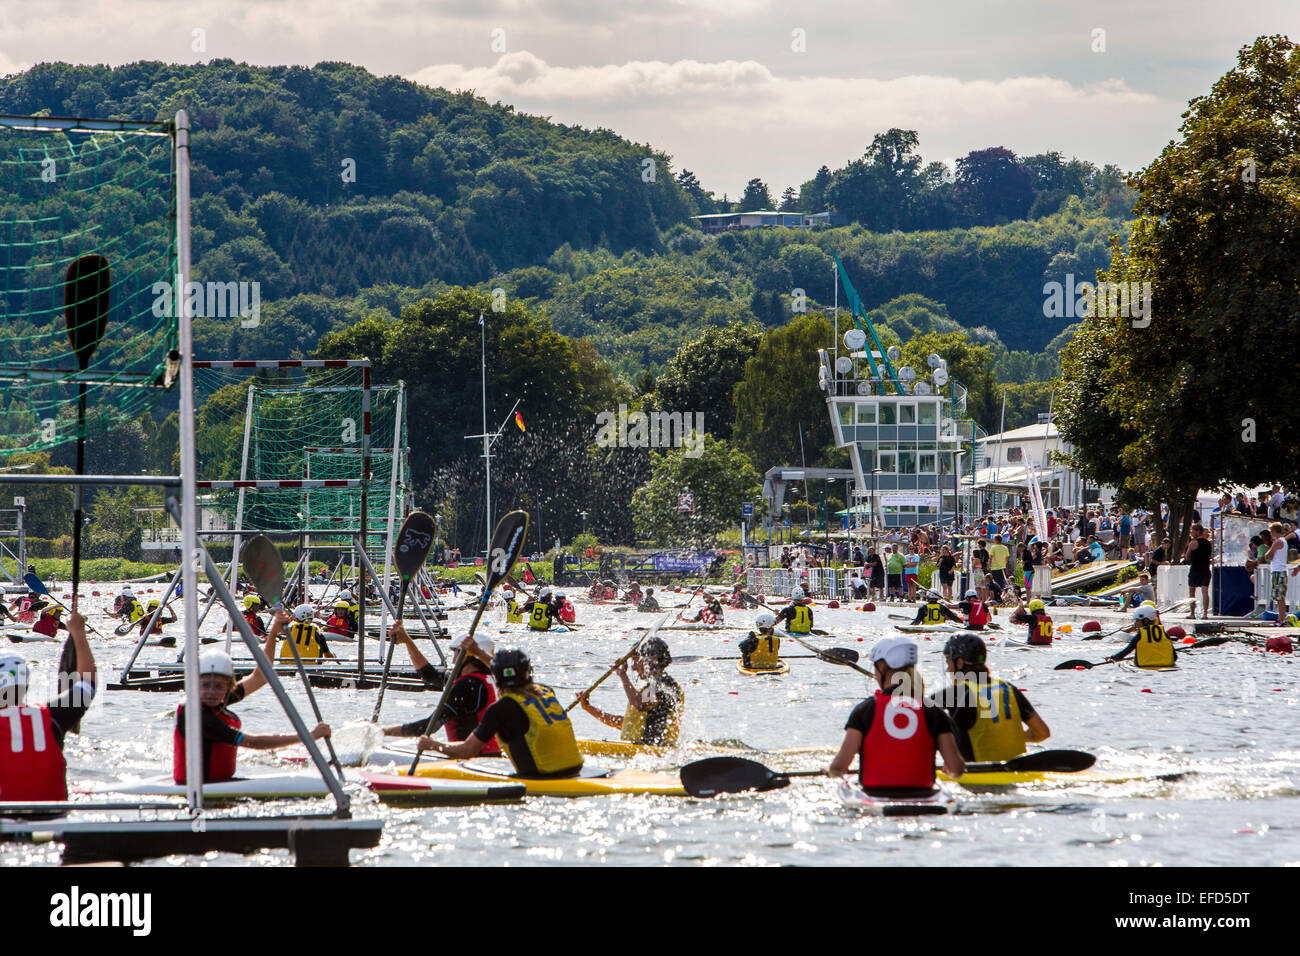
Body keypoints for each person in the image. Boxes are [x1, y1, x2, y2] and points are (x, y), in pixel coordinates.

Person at [173, 613, 332, 784]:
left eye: (218, 686)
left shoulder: (219, 698)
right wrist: (309, 736)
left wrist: (273, 633)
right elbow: (254, 742)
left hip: (219, 782)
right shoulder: (197, 714)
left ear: (228, 686)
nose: (211, 691)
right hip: (199, 788)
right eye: (205, 685)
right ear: (195, 685)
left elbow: (261, 676)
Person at [417, 648, 583, 777]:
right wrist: (477, 650)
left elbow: (466, 751)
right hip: (576, 769)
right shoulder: (547, 690)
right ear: (528, 672)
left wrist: (432, 745)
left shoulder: (500, 709)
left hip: (542, 777)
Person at [828, 637, 965, 791]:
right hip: (923, 797)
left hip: (875, 796)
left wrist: (830, 771)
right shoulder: (934, 711)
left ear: (881, 666)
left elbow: (839, 768)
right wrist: (949, 767)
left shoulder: (864, 710)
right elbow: (956, 770)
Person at [0, 610, 96, 800]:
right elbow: (87, 683)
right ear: (26, 683)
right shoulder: (52, 717)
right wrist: (78, 633)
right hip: (55, 818)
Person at [383, 622, 500, 755]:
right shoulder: (479, 679)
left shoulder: (468, 685)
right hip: (486, 755)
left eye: (456, 654)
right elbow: (430, 675)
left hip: (474, 760)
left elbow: (428, 726)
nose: (453, 660)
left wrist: (383, 732)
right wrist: (407, 641)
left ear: (465, 656)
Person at [934, 634, 1049, 762]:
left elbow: (918, 714)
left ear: (959, 663)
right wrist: (1009, 737)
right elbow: (1042, 733)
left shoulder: (956, 693)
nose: (947, 670)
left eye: (948, 663)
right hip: (1017, 770)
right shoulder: (1007, 688)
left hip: (975, 774)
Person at [577, 637, 684, 746]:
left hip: (655, 751)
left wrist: (623, 676)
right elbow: (623, 723)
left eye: (636, 661)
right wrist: (588, 707)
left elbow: (639, 704)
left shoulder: (663, 683)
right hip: (647, 749)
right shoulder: (654, 685)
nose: (633, 668)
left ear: (654, 659)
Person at [1108, 605, 1177, 668]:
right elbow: (1174, 657)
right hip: (1167, 665)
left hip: (1145, 666)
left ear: (1145, 620)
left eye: (1137, 620)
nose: (1135, 623)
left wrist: (1112, 658)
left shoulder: (1140, 635)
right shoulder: (1164, 633)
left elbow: (1126, 652)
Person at [1182, 524, 1212, 620]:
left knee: (1192, 591)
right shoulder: (1208, 543)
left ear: (1198, 531)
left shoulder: (1193, 542)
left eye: (1193, 531)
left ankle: (1192, 613)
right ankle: (1205, 614)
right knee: (1205, 591)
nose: (1191, 533)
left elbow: (1187, 556)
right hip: (1205, 569)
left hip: (1195, 569)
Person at [1264, 522, 1290, 624]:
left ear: (1274, 531)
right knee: (1279, 597)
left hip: (1278, 571)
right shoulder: (1282, 541)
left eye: (1271, 531)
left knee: (1279, 597)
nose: (1270, 533)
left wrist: (1269, 552)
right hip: (1279, 570)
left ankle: (1282, 619)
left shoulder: (1278, 542)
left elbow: (1268, 556)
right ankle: (1281, 617)